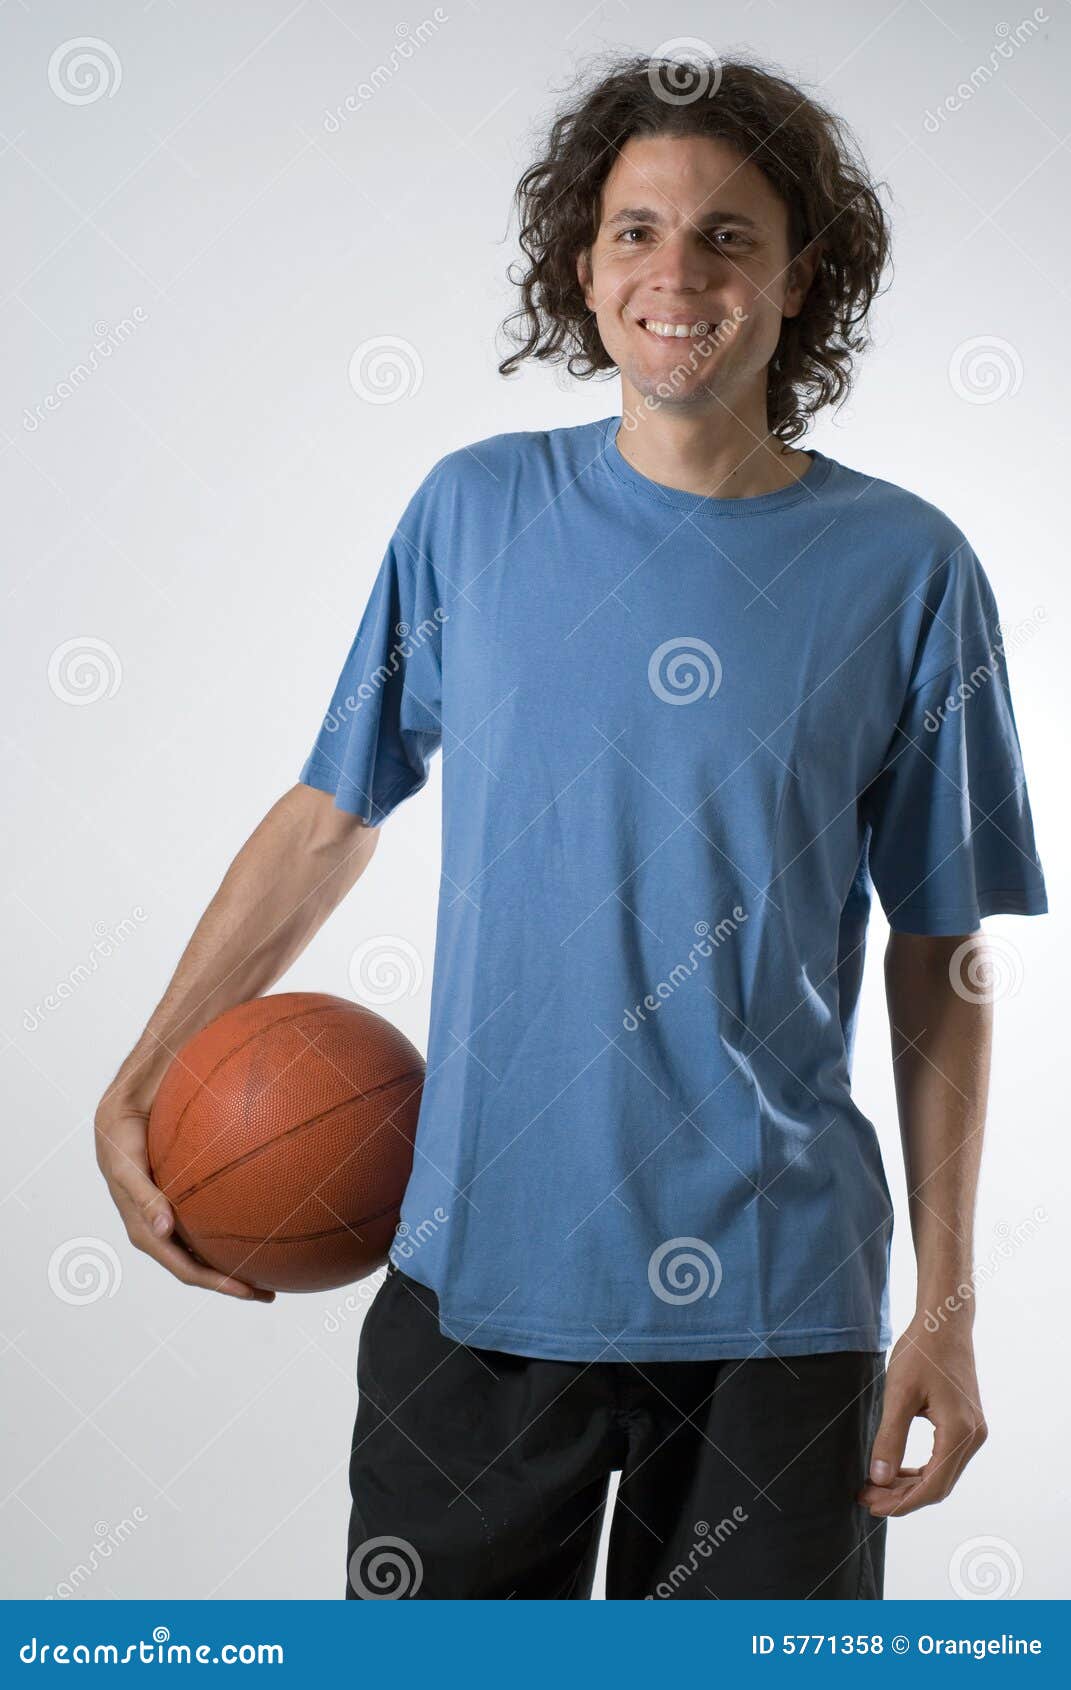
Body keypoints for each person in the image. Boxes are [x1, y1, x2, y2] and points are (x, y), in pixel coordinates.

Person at [95, 54, 1048, 1600]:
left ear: (802, 279)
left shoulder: (910, 569)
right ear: (583, 265)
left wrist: (947, 1303)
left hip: (778, 1305)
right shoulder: (471, 511)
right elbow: (333, 812)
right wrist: (139, 1082)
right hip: (477, 1283)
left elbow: (943, 951)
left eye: (729, 237)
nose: (677, 273)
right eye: (635, 231)